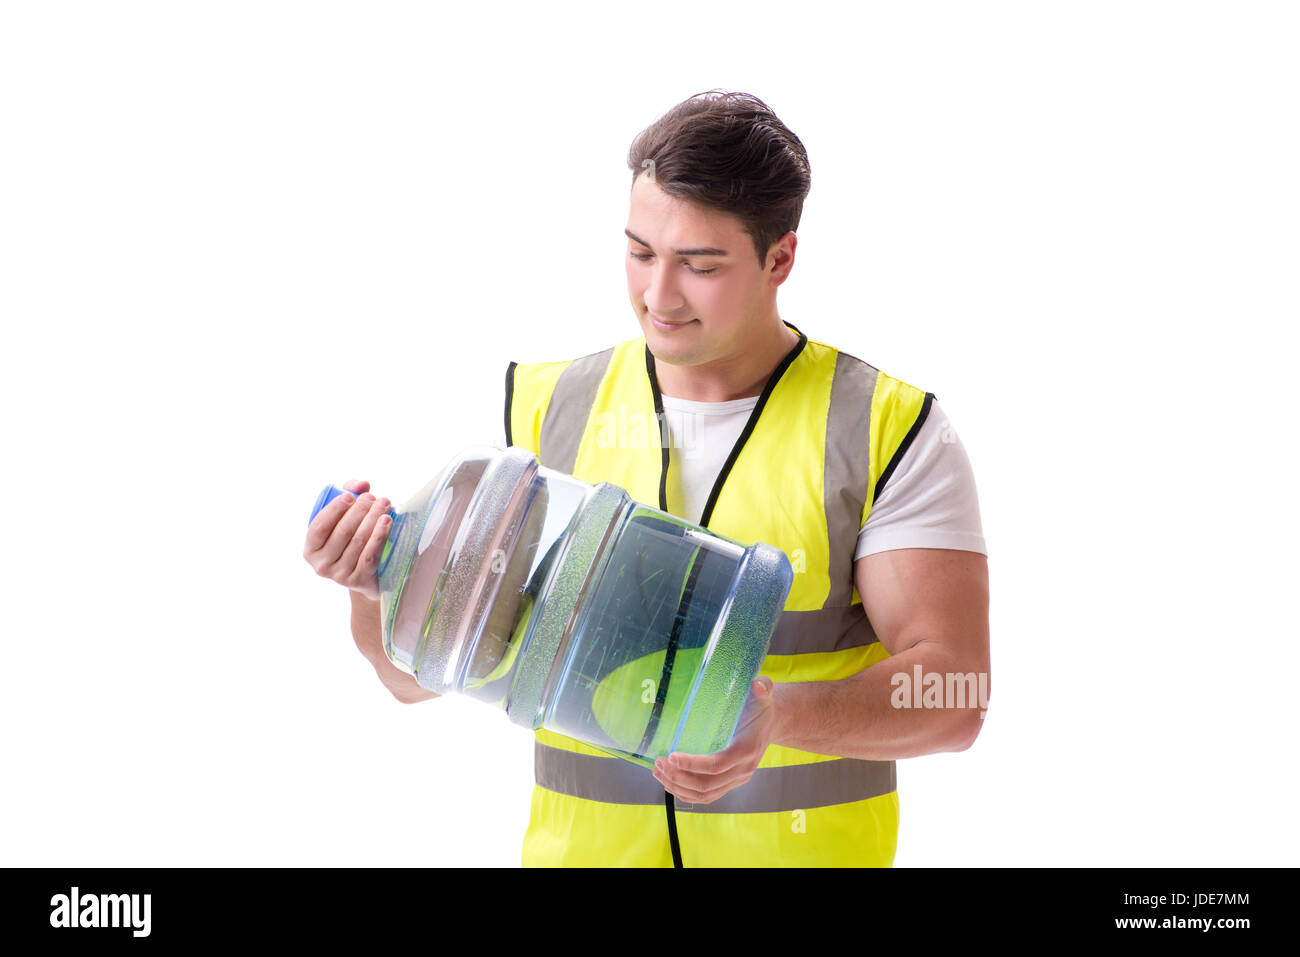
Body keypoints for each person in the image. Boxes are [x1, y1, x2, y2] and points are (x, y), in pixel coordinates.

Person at [303, 90, 990, 867]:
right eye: (640, 253)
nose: (658, 296)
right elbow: (418, 680)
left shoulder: (883, 430)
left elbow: (955, 694)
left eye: (700, 265)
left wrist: (778, 716)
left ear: (780, 259)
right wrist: (373, 586)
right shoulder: (548, 408)